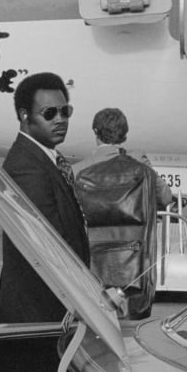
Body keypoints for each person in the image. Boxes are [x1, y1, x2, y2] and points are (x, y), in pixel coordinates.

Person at [0, 72, 90, 323]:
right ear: (25, 116)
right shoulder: (26, 167)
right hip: (38, 311)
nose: (60, 120)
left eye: (65, 111)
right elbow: (52, 245)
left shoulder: (44, 159)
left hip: (50, 306)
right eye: (49, 113)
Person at [74, 108, 174, 320]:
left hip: (93, 267)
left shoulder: (78, 171)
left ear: (95, 132)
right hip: (135, 269)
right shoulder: (141, 166)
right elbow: (165, 197)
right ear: (124, 134)